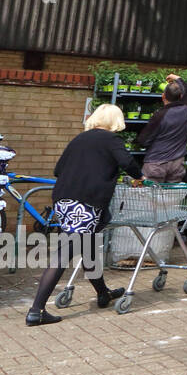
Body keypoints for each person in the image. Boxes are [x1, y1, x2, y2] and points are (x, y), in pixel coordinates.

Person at [26, 104, 143, 326]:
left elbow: (58, 170)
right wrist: (139, 177)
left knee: (87, 248)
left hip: (63, 200)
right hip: (86, 203)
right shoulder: (111, 140)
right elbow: (128, 163)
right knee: (65, 252)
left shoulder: (79, 139)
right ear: (115, 121)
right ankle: (36, 310)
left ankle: (103, 293)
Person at [136, 74, 187, 183]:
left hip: (156, 164)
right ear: (181, 96)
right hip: (177, 164)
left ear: (163, 96)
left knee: (149, 197)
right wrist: (177, 78)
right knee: (171, 198)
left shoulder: (159, 115)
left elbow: (143, 141)